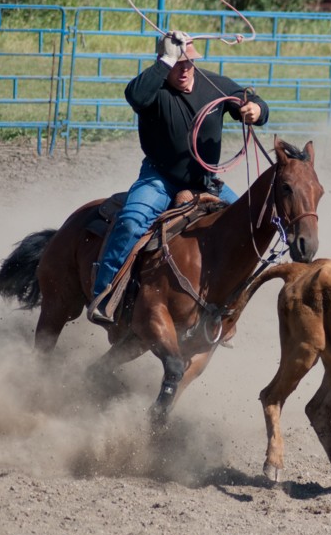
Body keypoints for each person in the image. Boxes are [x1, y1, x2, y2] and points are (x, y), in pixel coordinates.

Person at [89, 30, 269, 323]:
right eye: (176, 63)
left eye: (188, 63)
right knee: (133, 221)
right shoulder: (152, 89)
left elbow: (253, 102)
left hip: (206, 183)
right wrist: (165, 60)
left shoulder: (215, 85)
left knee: (246, 227)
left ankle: (227, 308)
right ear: (165, 62)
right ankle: (104, 293)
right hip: (160, 178)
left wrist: (256, 109)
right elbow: (134, 96)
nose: (183, 69)